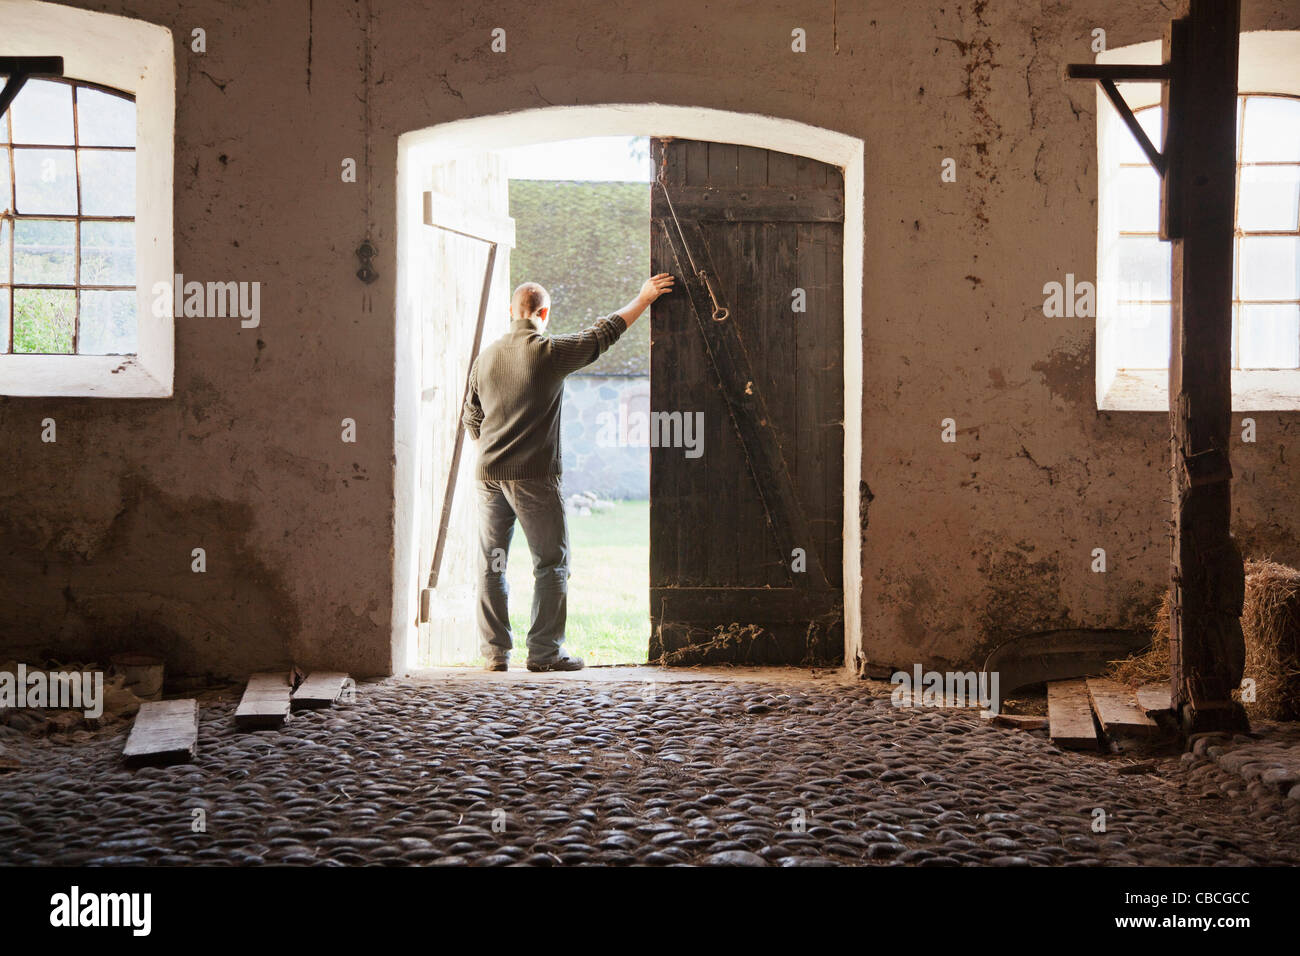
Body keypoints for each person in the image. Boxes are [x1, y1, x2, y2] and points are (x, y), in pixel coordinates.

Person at [462, 274, 675, 671]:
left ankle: (495, 654)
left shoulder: (485, 357)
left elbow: (471, 418)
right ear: (544, 313)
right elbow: (602, 334)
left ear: (511, 312)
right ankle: (544, 652)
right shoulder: (548, 352)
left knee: (492, 562)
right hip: (533, 476)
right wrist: (643, 299)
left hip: (487, 473)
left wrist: (493, 449)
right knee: (551, 561)